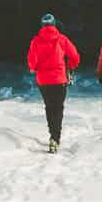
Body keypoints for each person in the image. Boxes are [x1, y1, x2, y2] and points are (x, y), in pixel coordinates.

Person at [25, 12, 80, 151]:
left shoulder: (36, 41)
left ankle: (52, 136)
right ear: (54, 24)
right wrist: (72, 66)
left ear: (42, 25)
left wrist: (33, 68)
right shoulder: (62, 39)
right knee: (58, 108)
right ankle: (55, 138)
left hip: (43, 81)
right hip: (59, 80)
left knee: (49, 107)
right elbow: (75, 56)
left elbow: (32, 61)